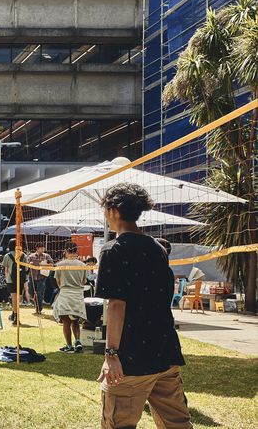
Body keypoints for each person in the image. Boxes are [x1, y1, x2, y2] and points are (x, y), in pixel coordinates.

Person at [95, 183, 190, 429]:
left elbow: (117, 306)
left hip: (131, 359)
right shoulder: (158, 248)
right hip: (165, 352)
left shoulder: (113, 250)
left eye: (105, 210)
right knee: (178, 425)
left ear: (114, 211)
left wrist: (111, 355)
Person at [52, 243, 88, 353]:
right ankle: (77, 341)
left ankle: (68, 346)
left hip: (65, 293)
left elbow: (57, 281)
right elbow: (84, 281)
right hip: (78, 294)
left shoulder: (60, 264)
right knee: (75, 321)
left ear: (66, 251)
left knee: (66, 322)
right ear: (76, 252)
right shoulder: (82, 265)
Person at [2, 238, 28, 325]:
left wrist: (7, 278)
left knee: (13, 298)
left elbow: (5, 269)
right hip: (20, 279)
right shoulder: (23, 255)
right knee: (18, 298)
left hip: (10, 280)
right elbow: (26, 268)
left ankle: (15, 315)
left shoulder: (7, 256)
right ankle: (15, 314)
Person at [26, 244, 53, 313]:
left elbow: (52, 264)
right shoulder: (31, 256)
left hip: (42, 277)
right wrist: (29, 264)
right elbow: (26, 267)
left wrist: (43, 265)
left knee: (39, 294)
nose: (43, 249)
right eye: (41, 248)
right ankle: (35, 300)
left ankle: (39, 309)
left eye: (43, 248)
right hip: (32, 277)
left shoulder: (46, 256)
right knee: (30, 292)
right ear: (37, 248)